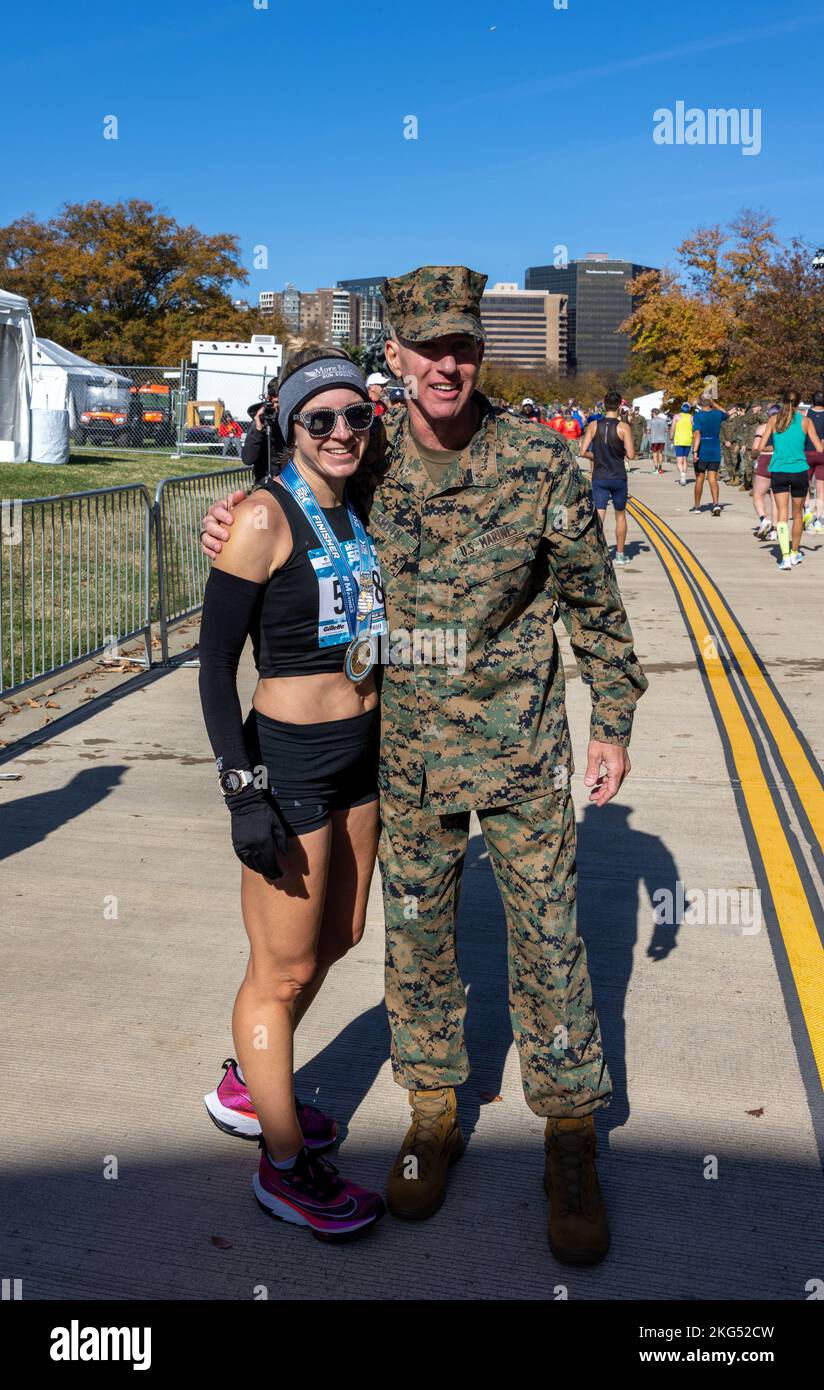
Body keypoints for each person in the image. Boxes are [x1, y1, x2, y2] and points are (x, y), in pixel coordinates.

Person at [201, 265, 647, 1267]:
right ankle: (431, 1116)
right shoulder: (366, 448)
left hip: (524, 753)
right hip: (400, 758)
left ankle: (569, 1138)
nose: (446, 365)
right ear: (394, 359)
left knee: (550, 945)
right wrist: (228, 516)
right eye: (427, 349)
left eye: (463, 347)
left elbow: (591, 599)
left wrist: (611, 718)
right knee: (417, 948)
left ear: (478, 355)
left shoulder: (537, 462)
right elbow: (284, 486)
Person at [197, 346, 387, 1241]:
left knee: (339, 936)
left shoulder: (364, 508)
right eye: (322, 419)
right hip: (294, 763)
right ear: (288, 426)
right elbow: (212, 665)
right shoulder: (264, 518)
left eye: (357, 416)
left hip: (364, 758)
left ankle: (249, 1082)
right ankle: (282, 1167)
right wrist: (243, 789)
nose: (343, 431)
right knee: (283, 969)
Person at [756, 387, 823, 569]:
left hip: (778, 471)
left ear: (784, 401)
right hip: (800, 471)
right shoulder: (805, 422)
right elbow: (819, 448)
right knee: (798, 515)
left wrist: (759, 451)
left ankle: (784, 556)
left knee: (782, 516)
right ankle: (795, 552)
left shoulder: (773, 420)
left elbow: (761, 447)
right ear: (799, 403)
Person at [578, 389, 636, 566]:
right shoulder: (623, 427)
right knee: (620, 515)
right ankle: (619, 554)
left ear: (604, 404)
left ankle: (595, 553)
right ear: (619, 406)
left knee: (599, 515)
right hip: (618, 476)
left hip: (600, 476)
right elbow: (631, 455)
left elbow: (582, 452)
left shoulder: (594, 425)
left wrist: (597, 456)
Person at [242, 378, 286, 482]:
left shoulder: (291, 419)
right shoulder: (261, 420)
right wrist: (258, 430)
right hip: (265, 480)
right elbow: (248, 459)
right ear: (268, 399)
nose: (279, 407)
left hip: (291, 482)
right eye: (276, 402)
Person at [691, 395, 728, 516]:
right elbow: (726, 413)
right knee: (712, 478)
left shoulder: (698, 416)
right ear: (710, 403)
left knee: (700, 478)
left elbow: (697, 434)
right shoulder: (717, 414)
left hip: (703, 449)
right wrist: (714, 403)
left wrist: (695, 451)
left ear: (700, 404)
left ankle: (697, 506)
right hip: (715, 448)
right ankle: (716, 504)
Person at [751, 405, 778, 540]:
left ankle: (764, 519)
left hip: (766, 461)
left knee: (758, 495)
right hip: (781, 461)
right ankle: (774, 529)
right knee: (776, 498)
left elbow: (755, 449)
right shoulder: (786, 429)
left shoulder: (762, 428)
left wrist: (754, 455)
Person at [803, 391, 824, 531]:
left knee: (805, 484)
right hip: (822, 453)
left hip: (807, 452)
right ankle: (819, 518)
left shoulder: (805, 414)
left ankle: (807, 511)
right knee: (821, 487)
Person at [670, 403, 693, 485]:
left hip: (679, 440)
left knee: (679, 460)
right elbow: (694, 428)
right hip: (688, 440)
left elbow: (672, 428)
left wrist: (671, 438)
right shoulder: (691, 417)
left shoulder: (677, 416)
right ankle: (684, 474)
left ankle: (682, 475)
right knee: (685, 459)